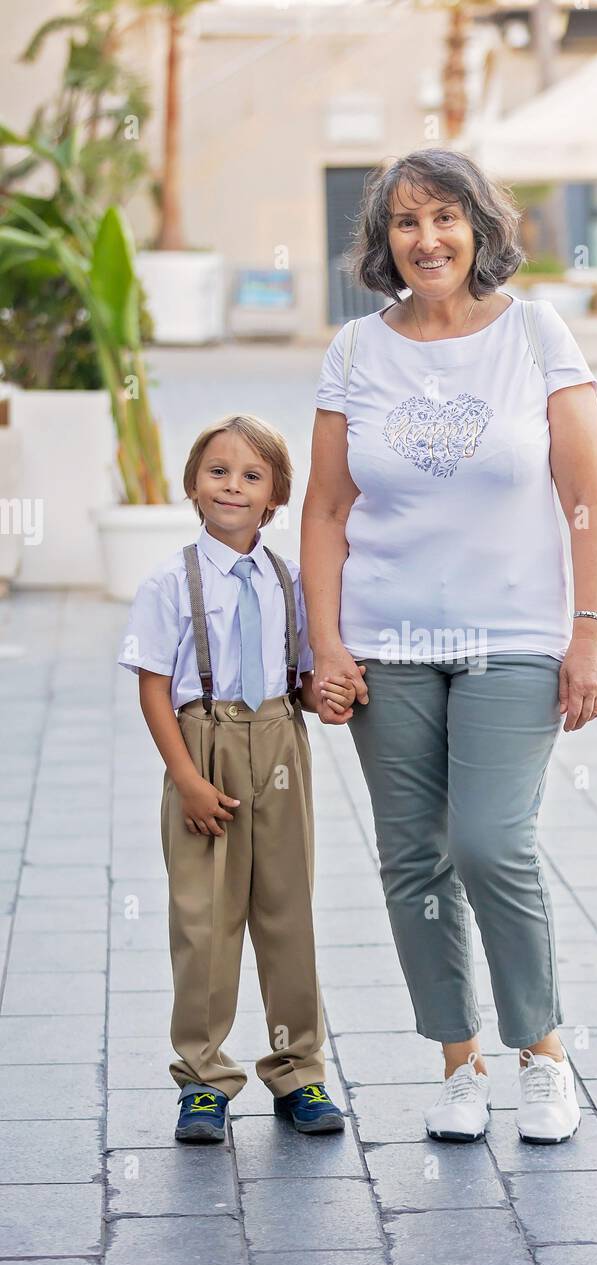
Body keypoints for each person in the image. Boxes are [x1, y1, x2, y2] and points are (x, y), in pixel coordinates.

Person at [302, 149, 597, 1146]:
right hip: (386, 640)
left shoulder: (532, 332)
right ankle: (456, 1062)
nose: (425, 238)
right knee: (412, 860)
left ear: (480, 227)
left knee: (491, 842)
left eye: (444, 217)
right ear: (382, 241)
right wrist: (326, 643)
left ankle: (541, 1055)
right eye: (404, 222)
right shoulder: (355, 351)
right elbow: (323, 507)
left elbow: (586, 496)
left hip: (514, 635)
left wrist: (590, 634)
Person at [117, 413, 353, 1143]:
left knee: (288, 914)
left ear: (277, 495)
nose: (232, 486)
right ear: (193, 484)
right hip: (204, 742)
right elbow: (154, 685)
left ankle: (299, 1069)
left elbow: (306, 676)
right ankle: (203, 1079)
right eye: (218, 472)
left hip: (280, 739)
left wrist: (331, 696)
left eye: (252, 475)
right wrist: (186, 779)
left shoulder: (292, 580)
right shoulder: (168, 582)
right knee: (203, 921)